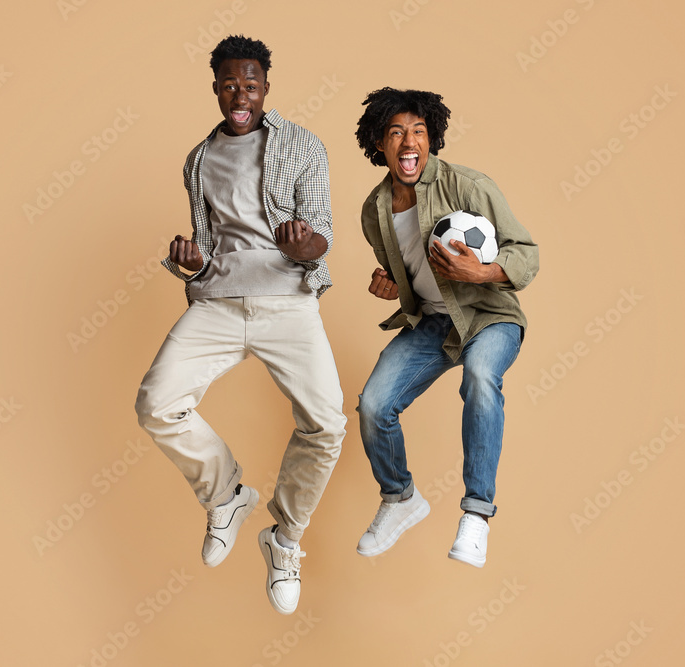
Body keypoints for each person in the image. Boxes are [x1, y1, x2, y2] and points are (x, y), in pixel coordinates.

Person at [135, 35, 346, 613]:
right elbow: (208, 243)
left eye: (249, 85)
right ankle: (226, 495)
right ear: (216, 88)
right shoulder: (197, 159)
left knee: (327, 427)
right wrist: (194, 260)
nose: (239, 95)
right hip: (217, 303)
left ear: (266, 88)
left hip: (288, 303)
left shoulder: (303, 145)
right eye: (229, 85)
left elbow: (323, 231)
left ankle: (284, 539)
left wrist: (306, 246)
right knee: (156, 403)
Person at [353, 87, 539, 567]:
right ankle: (400, 499)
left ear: (432, 138)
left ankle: (476, 515)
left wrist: (483, 272)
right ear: (379, 143)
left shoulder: (469, 186)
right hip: (433, 323)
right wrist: (391, 284)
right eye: (396, 132)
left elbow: (527, 254)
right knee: (373, 405)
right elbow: (406, 269)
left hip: (489, 315)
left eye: (418, 131)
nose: (408, 142)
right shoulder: (373, 210)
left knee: (479, 377)